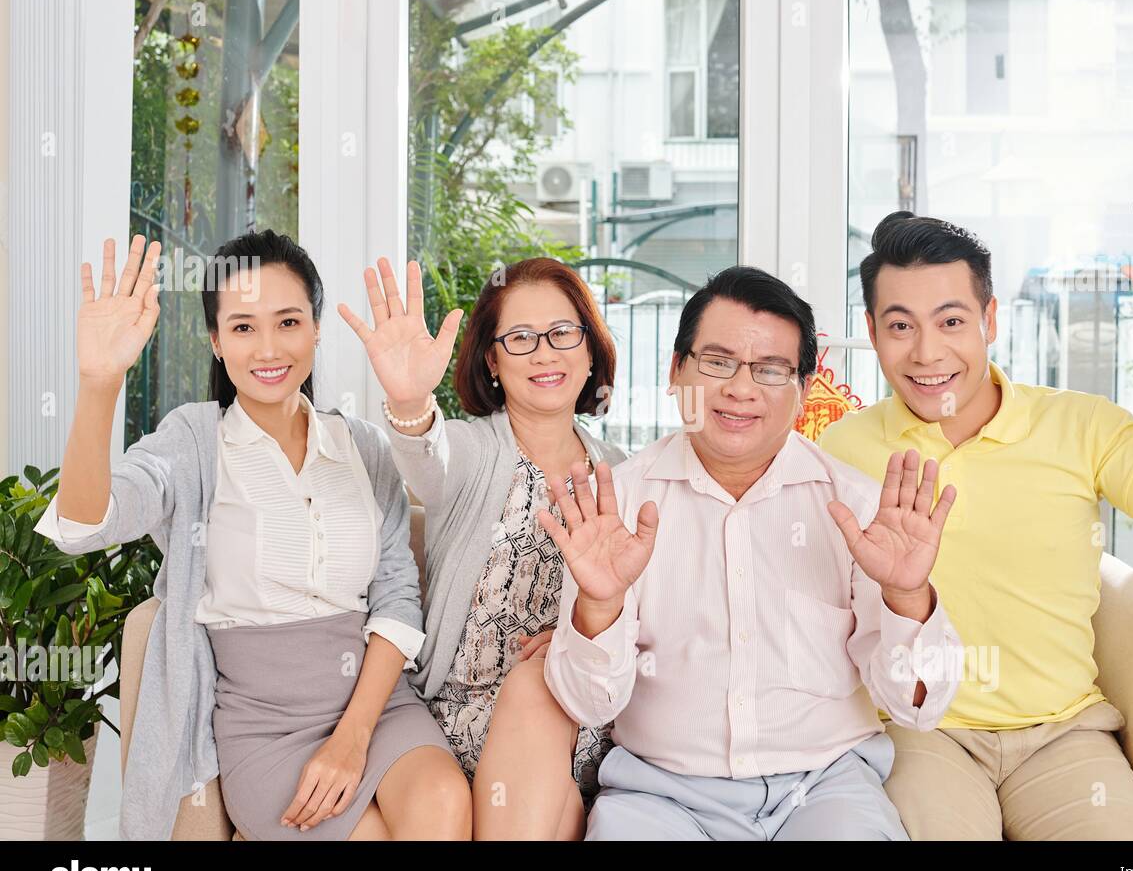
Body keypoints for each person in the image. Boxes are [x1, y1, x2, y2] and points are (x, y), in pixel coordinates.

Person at [818, 186, 1133, 839]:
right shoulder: (841, 447)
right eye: (900, 326)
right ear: (874, 332)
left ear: (990, 320)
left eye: (950, 321)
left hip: (1066, 738)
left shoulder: (1079, 425)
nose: (927, 353)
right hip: (921, 734)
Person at [36, 231, 470, 840]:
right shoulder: (193, 443)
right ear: (216, 342)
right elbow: (85, 524)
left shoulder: (364, 447)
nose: (268, 347)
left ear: (317, 329)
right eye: (242, 327)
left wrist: (353, 735)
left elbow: (399, 596)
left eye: (288, 321)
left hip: (378, 707)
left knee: (444, 804)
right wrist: (99, 382)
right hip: (265, 727)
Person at [537, 266, 963, 840]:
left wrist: (907, 596)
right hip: (662, 793)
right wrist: (599, 603)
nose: (741, 389)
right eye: (717, 362)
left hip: (825, 785)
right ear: (675, 371)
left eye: (770, 370)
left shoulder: (856, 507)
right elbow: (590, 704)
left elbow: (919, 708)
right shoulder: (618, 508)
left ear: (803, 391)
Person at [339, 256, 625, 839]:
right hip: (458, 722)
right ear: (492, 361)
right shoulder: (472, 452)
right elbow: (426, 456)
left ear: (590, 348)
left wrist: (587, 637)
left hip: (576, 723)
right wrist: (411, 402)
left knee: (545, 685)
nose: (544, 353)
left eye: (562, 333)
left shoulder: (620, 473)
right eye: (519, 338)